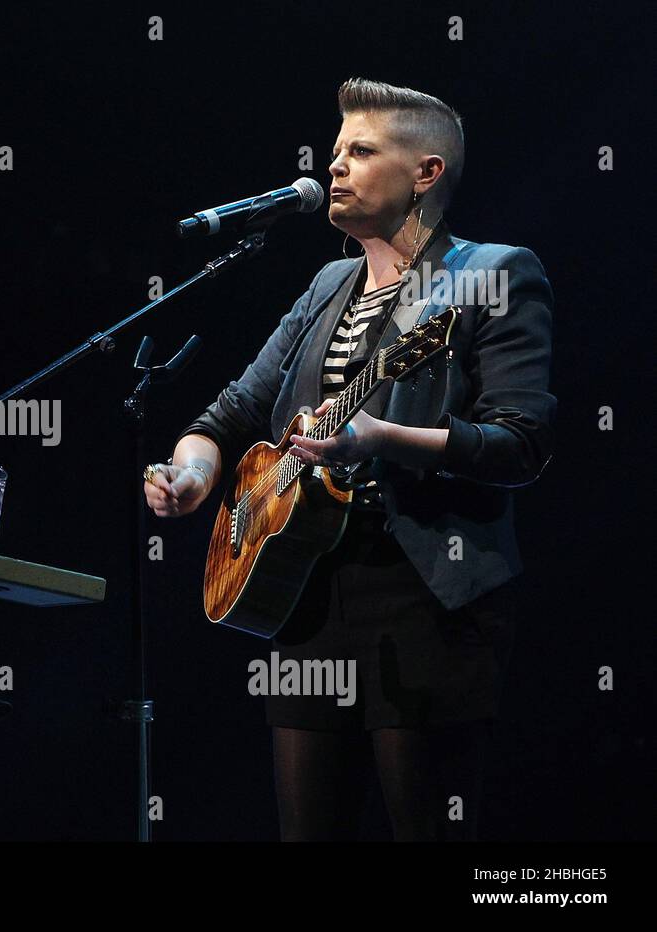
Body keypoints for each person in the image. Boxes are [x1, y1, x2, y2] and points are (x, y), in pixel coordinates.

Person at [144, 78, 555, 841]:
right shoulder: (329, 282)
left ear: (425, 173)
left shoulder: (493, 272)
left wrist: (383, 439)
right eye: (336, 153)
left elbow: (520, 445)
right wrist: (194, 472)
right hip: (305, 591)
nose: (335, 167)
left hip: (429, 595)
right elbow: (229, 413)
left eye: (361, 152)